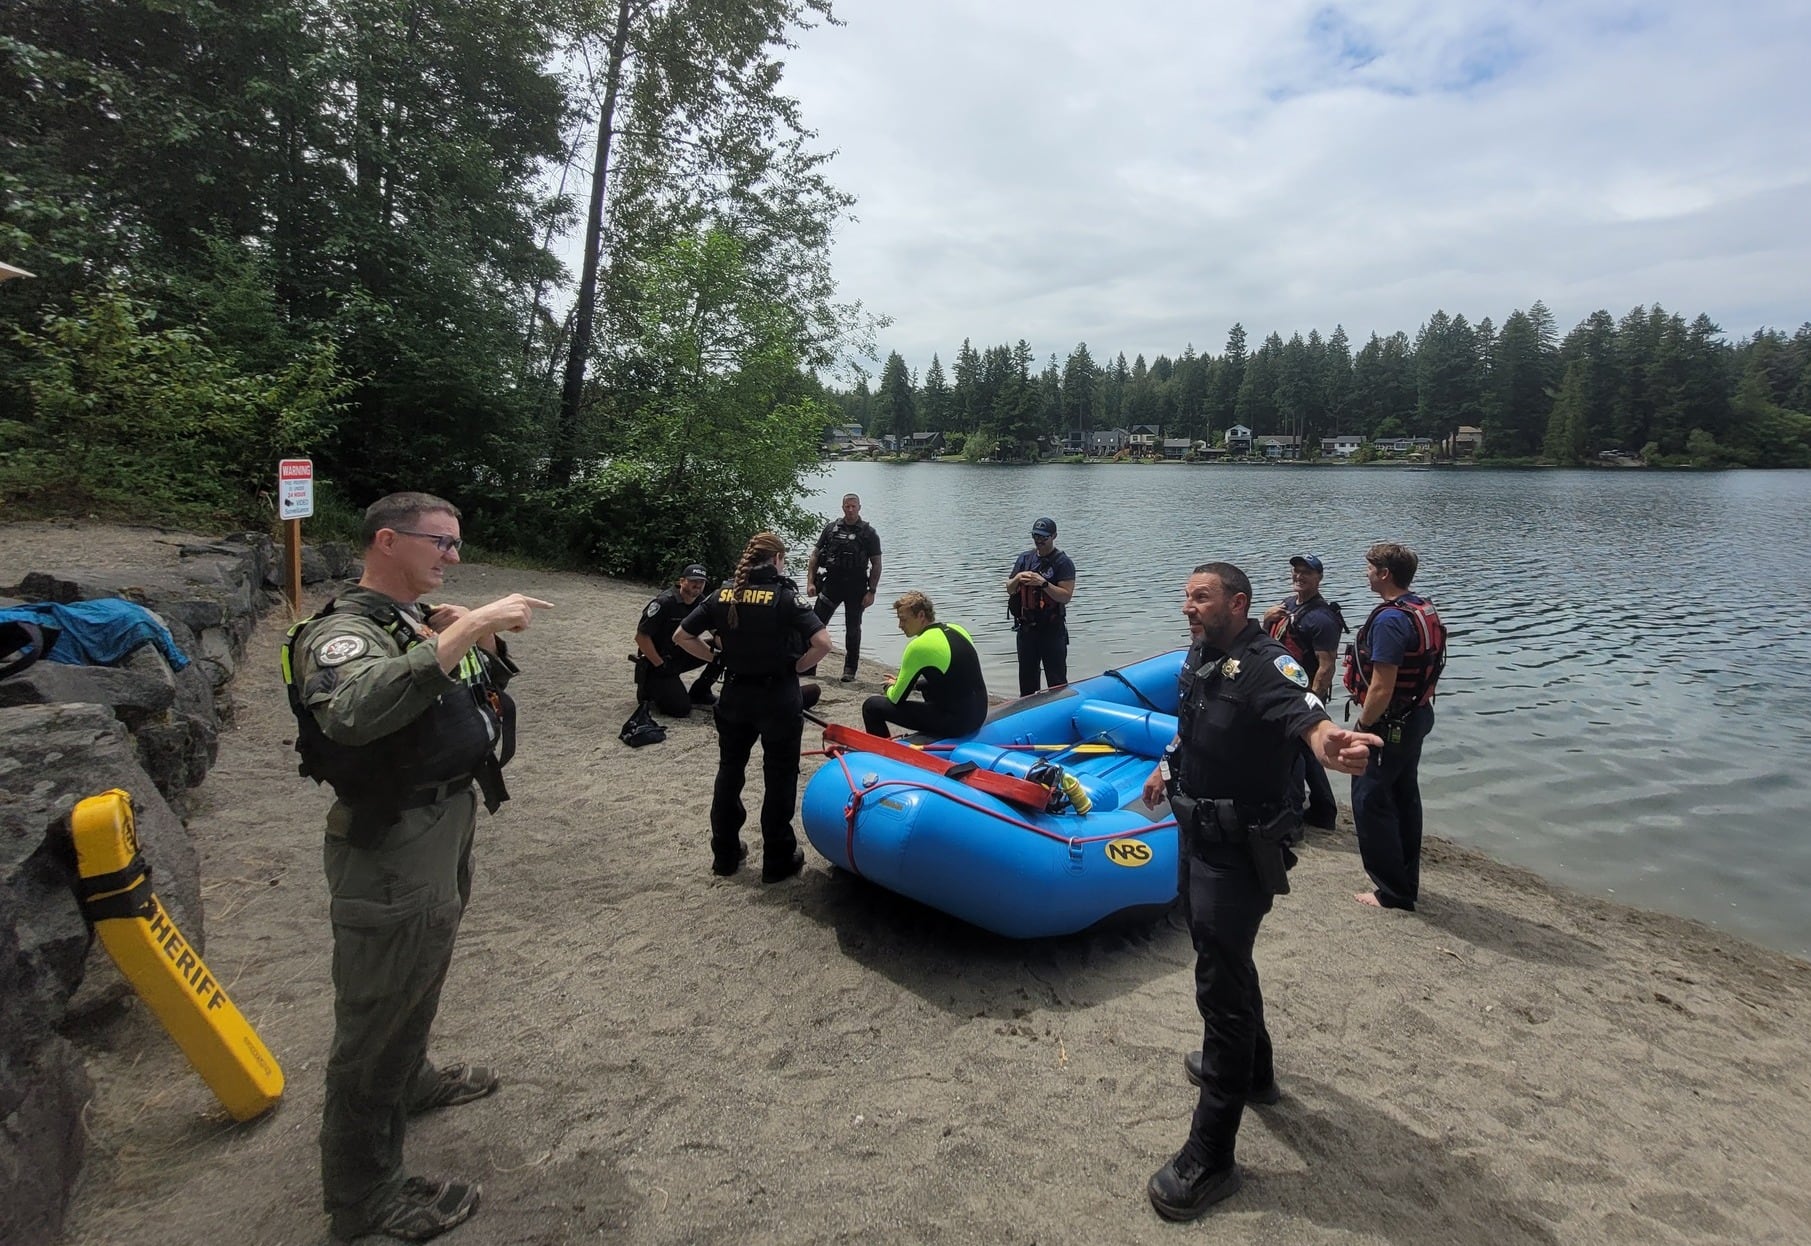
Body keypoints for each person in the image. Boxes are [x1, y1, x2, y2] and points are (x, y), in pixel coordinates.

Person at [282, 492, 552, 1243]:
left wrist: (473, 639)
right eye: (440, 543)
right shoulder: (340, 633)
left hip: (442, 819)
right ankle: (363, 1195)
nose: (452, 557)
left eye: (456, 544)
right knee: (374, 1019)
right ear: (387, 541)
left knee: (420, 970)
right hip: (392, 839)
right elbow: (354, 712)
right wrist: (464, 628)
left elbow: (468, 693)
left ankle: (414, 1078)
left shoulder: (409, 620)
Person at [1139, 562, 1379, 1221]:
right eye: (1186, 596)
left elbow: (1306, 718)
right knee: (1222, 958)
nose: (1188, 606)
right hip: (1197, 834)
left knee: (1219, 991)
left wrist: (1331, 745)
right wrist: (1165, 768)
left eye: (1201, 597)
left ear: (1238, 603)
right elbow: (1190, 728)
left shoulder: (1268, 665)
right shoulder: (1201, 654)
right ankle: (1258, 1073)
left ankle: (1211, 1158)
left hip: (1240, 852)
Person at [675, 531, 832, 881]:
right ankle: (777, 859)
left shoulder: (723, 594)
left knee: (730, 771)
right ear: (777, 560)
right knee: (779, 776)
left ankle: (725, 854)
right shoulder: (785, 597)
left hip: (735, 695)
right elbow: (823, 642)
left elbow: (681, 636)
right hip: (778, 697)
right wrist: (797, 666)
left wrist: (716, 657)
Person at [1345, 541, 1447, 912]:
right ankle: (1404, 884)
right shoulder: (1421, 607)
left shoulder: (1390, 620)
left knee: (1370, 798)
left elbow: (1382, 687)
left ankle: (1390, 891)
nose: (1366, 574)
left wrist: (1362, 726)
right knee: (1404, 796)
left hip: (1390, 723)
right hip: (1416, 715)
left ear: (1385, 574)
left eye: (1370, 568)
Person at [1260, 553, 1346, 829]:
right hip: (1281, 691)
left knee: (1290, 754)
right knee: (1307, 752)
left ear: (1319, 578)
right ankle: (1324, 810)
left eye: (1306, 572)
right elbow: (1265, 644)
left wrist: (1312, 701)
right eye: (1296, 571)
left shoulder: (1321, 618)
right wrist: (1266, 620)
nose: (1299, 576)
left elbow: (1327, 665)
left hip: (1302, 696)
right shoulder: (1286, 606)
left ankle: (1293, 816)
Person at [861, 591, 989, 740]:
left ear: (921, 615)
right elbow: (955, 677)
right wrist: (910, 685)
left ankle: (884, 750)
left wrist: (889, 687)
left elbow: (896, 698)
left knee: (871, 706)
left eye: (903, 620)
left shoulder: (918, 646)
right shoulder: (957, 629)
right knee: (928, 685)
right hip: (979, 715)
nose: (900, 625)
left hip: (956, 725)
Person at [804, 493, 882, 682]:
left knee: (853, 629)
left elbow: (877, 564)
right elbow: (815, 556)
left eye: (853, 506)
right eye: (847, 506)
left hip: (856, 587)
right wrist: (810, 582)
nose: (850, 509)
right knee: (815, 625)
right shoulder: (831, 529)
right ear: (842, 507)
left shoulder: (869, 533)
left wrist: (872, 591)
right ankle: (808, 667)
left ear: (859, 507)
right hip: (832, 584)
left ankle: (849, 670)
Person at [634, 563, 722, 717]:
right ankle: (650, 688)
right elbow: (641, 637)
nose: (698, 585)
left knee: (723, 650)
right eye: (693, 581)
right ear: (682, 581)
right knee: (680, 709)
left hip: (681, 653)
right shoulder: (664, 602)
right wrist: (660, 664)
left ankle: (700, 692)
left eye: (701, 582)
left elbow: (715, 630)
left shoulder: (701, 602)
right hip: (658, 660)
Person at [1006, 517, 1075, 696]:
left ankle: (1060, 708)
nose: (1039, 540)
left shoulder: (1063, 562)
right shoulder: (1025, 559)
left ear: (1054, 536)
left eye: (1044, 537)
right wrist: (1017, 578)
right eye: (1036, 536)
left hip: (1052, 630)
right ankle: (1027, 710)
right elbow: (1009, 588)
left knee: (1057, 681)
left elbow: (1066, 596)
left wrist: (1043, 583)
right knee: (1027, 682)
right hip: (1027, 630)